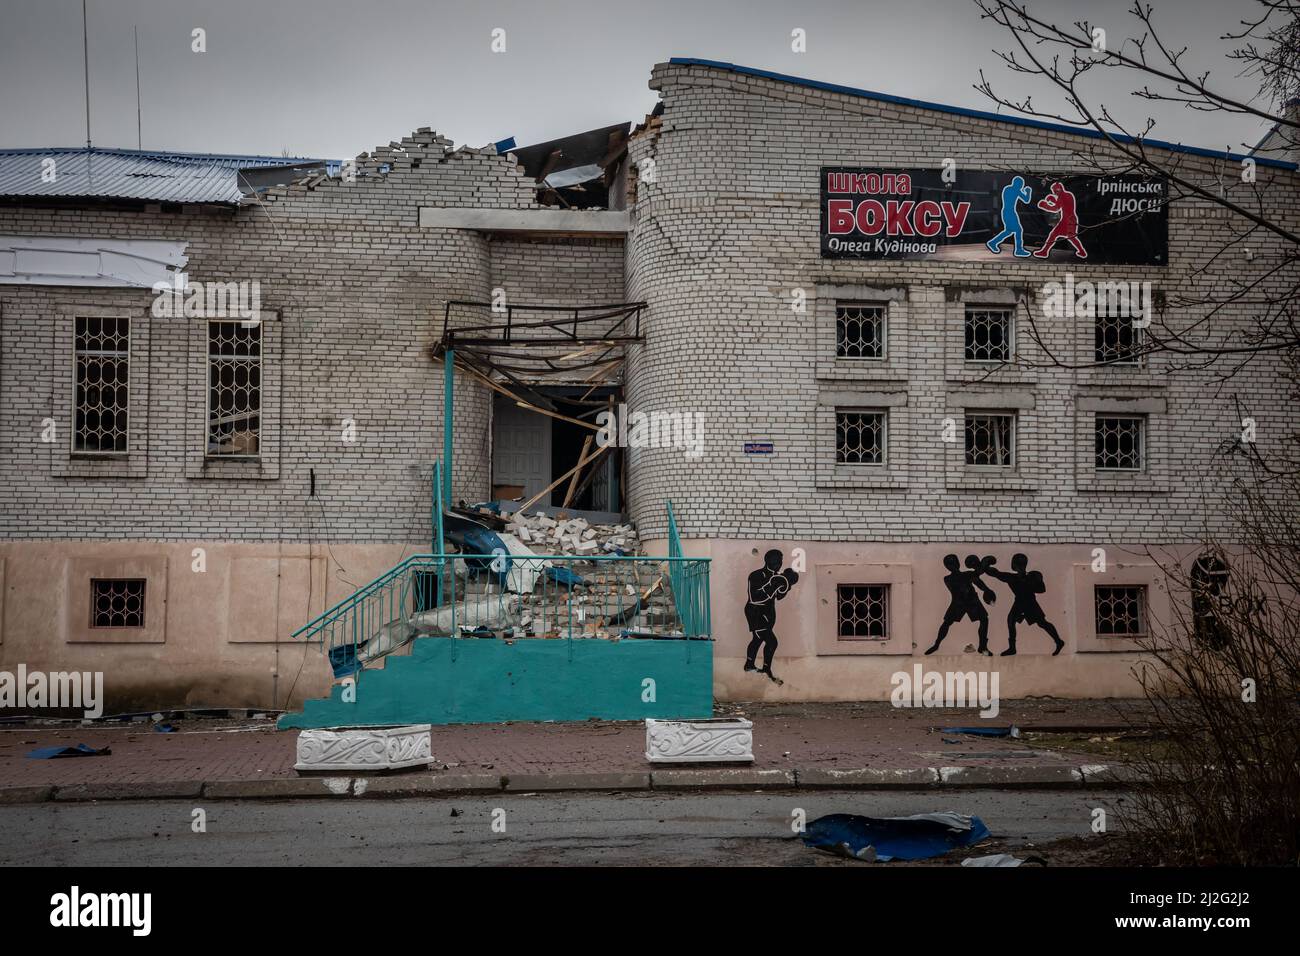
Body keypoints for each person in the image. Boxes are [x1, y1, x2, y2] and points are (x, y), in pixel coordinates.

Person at [984, 553, 1064, 656]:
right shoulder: (1013, 577)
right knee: (1011, 620)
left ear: (1015, 565)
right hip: (1020, 602)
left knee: (1041, 623)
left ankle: (1058, 641)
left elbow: (1041, 589)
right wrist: (985, 566)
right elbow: (996, 573)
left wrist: (1034, 581)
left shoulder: (1026, 577)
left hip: (1029, 602)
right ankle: (1012, 648)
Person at [925, 554, 997, 656]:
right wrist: (983, 564)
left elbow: (978, 582)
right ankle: (936, 645)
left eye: (955, 562)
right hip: (960, 603)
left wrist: (986, 590)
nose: (953, 565)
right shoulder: (949, 579)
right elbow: (974, 577)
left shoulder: (966, 575)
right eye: (951, 564)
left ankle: (983, 647)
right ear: (947, 567)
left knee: (984, 619)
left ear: (958, 563)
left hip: (971, 601)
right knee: (947, 623)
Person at [744, 549, 799, 682]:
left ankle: (749, 665)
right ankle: (766, 669)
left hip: (768, 613)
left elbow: (779, 596)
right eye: (775, 562)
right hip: (756, 612)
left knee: (757, 639)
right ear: (767, 561)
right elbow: (754, 597)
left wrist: (788, 583)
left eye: (779, 562)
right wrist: (772, 584)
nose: (778, 565)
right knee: (772, 642)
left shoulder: (777, 576)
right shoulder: (756, 575)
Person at [1032, 181, 1087, 259]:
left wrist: (1044, 205)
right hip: (1068, 219)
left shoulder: (1063, 196)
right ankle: (1044, 251)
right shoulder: (1068, 195)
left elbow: (1056, 208)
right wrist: (1052, 201)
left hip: (1069, 220)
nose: (1054, 193)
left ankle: (1081, 251)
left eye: (1054, 191)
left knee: (1069, 237)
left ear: (1058, 189)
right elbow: (1061, 205)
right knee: (1055, 235)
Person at [985, 176, 1033, 257]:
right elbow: (1026, 200)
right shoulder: (1015, 190)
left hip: (1006, 212)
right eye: (1021, 184)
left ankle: (992, 243)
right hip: (1010, 212)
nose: (1021, 186)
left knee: (1008, 231)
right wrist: (1028, 191)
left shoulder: (1007, 188)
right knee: (1018, 230)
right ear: (1018, 184)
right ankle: (1019, 250)